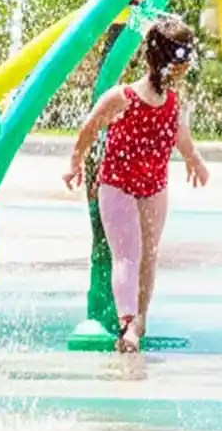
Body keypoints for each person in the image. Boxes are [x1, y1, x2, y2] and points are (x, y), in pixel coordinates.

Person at [63, 18, 209, 353]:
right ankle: (128, 324)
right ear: (177, 63)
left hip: (154, 187)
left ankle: (139, 320)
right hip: (117, 185)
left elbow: (182, 139)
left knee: (149, 257)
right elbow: (90, 127)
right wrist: (74, 162)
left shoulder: (174, 103)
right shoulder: (123, 97)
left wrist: (195, 161)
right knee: (127, 255)